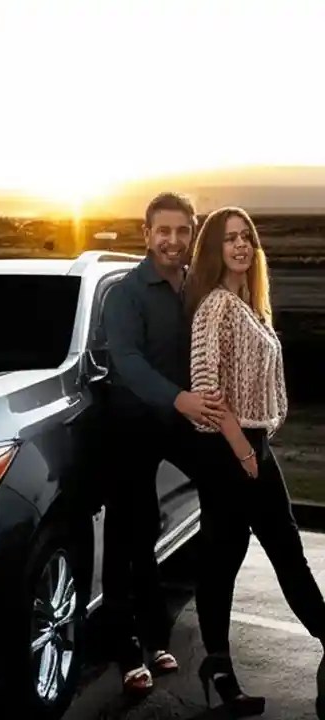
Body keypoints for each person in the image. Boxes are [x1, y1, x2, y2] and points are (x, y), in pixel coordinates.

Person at [183, 205, 325, 716]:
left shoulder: (251, 305)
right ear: (214, 250)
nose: (241, 246)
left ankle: (220, 667)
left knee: (259, 551)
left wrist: (260, 435)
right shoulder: (216, 307)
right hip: (228, 448)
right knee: (251, 554)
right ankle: (223, 669)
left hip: (251, 443)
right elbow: (207, 390)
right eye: (229, 239)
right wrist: (244, 450)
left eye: (248, 237)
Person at [100, 191, 227, 696]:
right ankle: (127, 647)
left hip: (178, 418)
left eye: (182, 231)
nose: (172, 241)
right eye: (163, 231)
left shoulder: (195, 285)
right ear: (146, 234)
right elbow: (128, 363)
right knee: (129, 537)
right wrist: (180, 401)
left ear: (192, 234)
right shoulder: (127, 293)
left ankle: (158, 637)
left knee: (220, 491)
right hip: (130, 424)